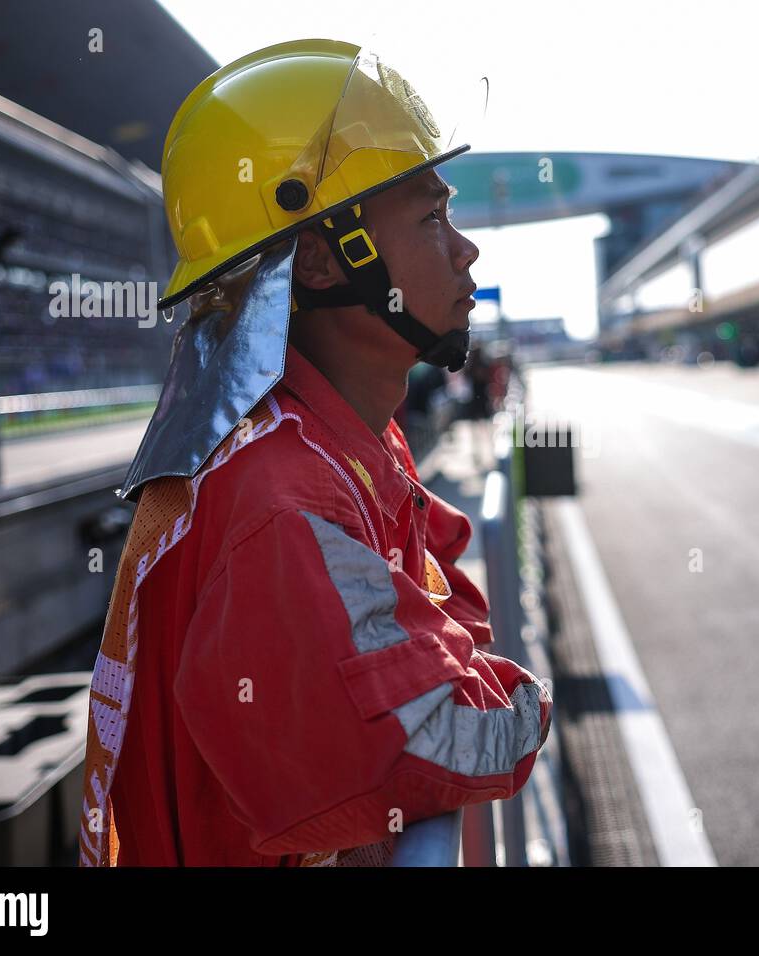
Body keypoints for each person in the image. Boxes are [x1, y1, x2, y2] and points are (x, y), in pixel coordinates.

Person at [78, 39, 552, 867]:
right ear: (329, 259)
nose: (465, 250)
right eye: (432, 216)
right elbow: (443, 739)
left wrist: (450, 651)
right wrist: (529, 700)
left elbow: (442, 584)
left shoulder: (339, 440)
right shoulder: (285, 497)